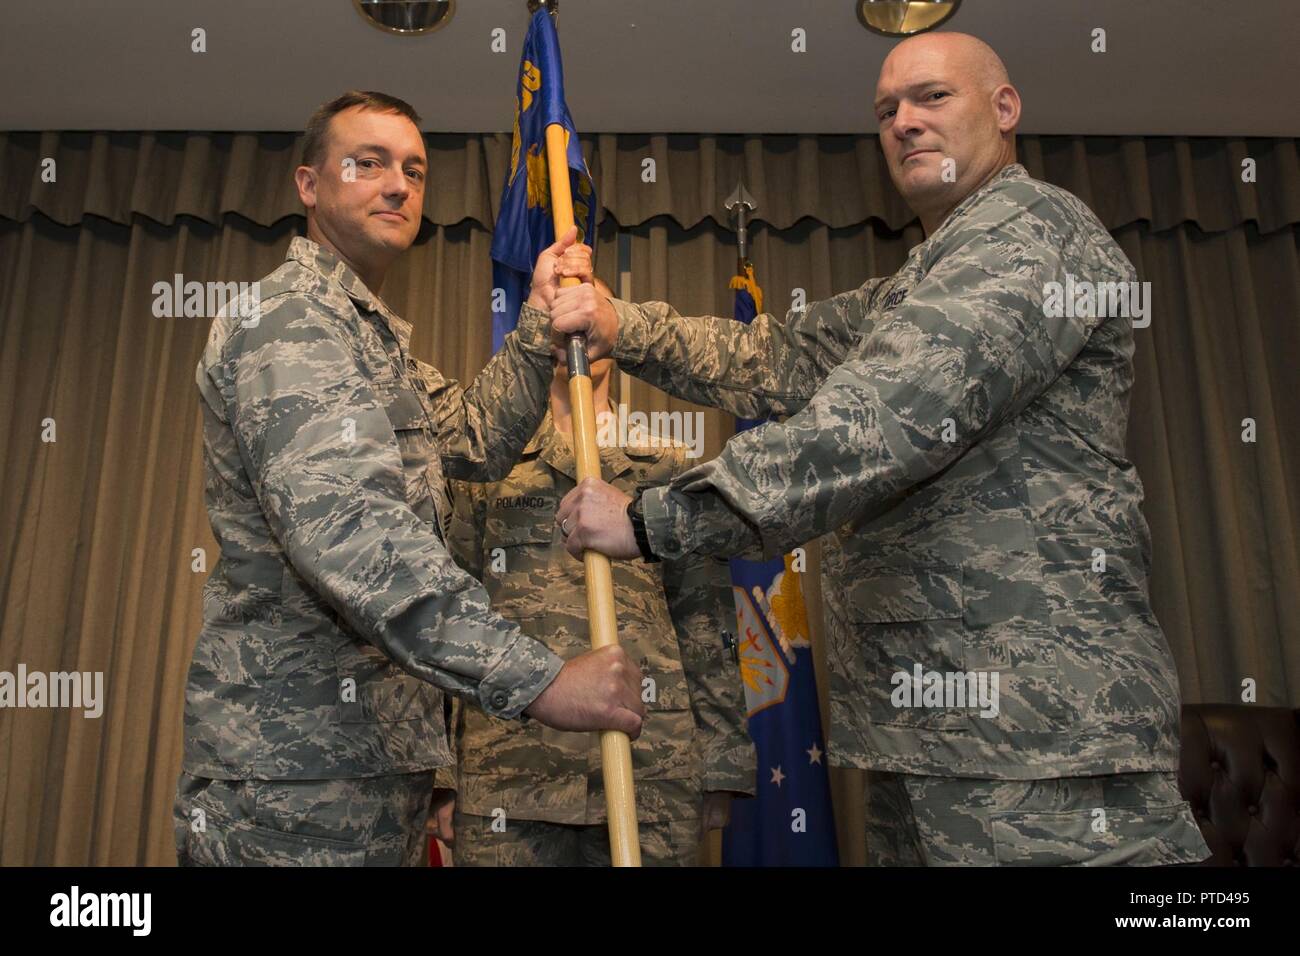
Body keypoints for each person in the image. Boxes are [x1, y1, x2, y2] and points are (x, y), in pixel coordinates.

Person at [545, 34, 1211, 865]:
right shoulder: (918, 280)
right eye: (887, 110)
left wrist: (652, 521)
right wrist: (622, 324)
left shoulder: (1033, 231)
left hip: (1038, 734)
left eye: (932, 97)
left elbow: (884, 420)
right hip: (925, 734)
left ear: (1004, 111)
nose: (903, 122)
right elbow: (779, 357)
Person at [174, 90, 640, 867]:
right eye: (369, 162)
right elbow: (355, 541)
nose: (398, 185)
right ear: (309, 184)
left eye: (415, 171)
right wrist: (541, 681)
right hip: (292, 778)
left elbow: (474, 439)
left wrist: (535, 320)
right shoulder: (292, 320)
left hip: (368, 765)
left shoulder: (371, 342)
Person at [433, 301, 755, 866]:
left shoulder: (665, 468)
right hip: (511, 768)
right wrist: (438, 772)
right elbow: (443, 614)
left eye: (587, 312)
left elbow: (705, 623)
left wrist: (723, 762)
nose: (574, 329)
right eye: (561, 313)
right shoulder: (486, 470)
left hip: (649, 767)